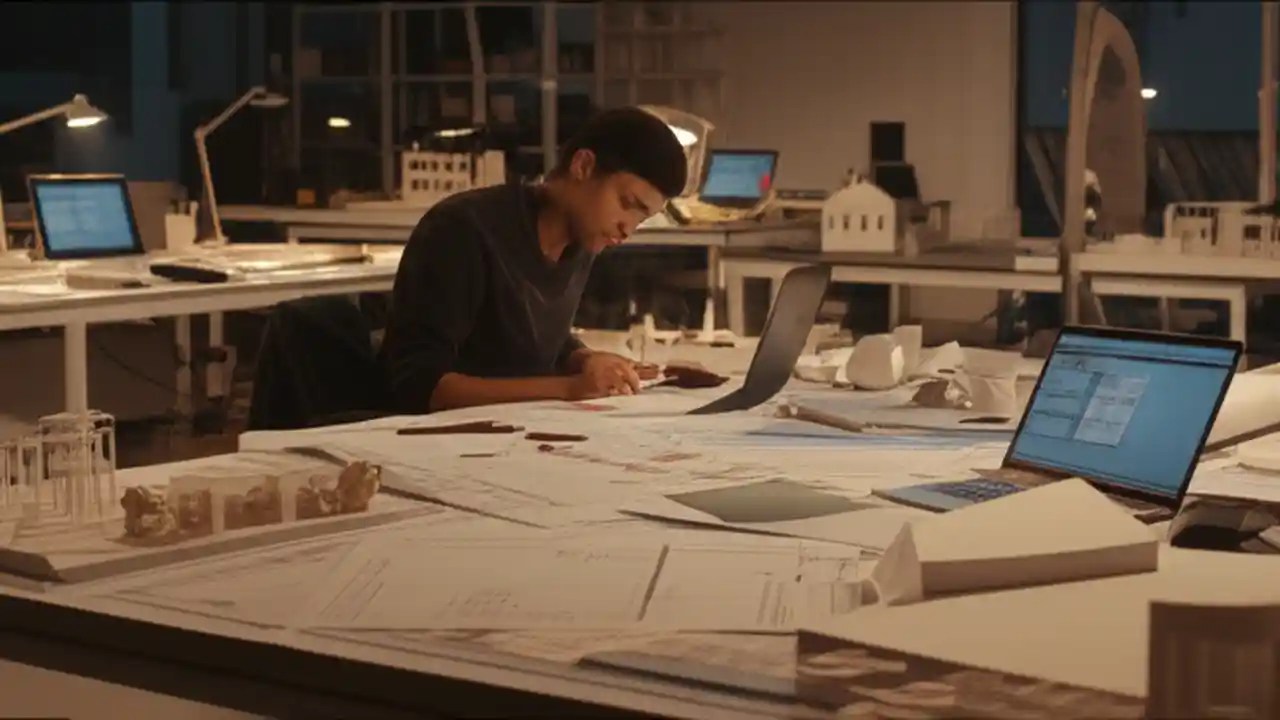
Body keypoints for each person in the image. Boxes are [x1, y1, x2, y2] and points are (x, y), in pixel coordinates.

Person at [380, 107, 689, 413]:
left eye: (642, 218)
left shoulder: (581, 239)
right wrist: (569, 388)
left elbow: (530, 341)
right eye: (627, 203)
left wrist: (584, 360)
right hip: (422, 439)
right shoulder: (463, 229)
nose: (628, 229)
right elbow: (419, 387)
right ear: (583, 166)